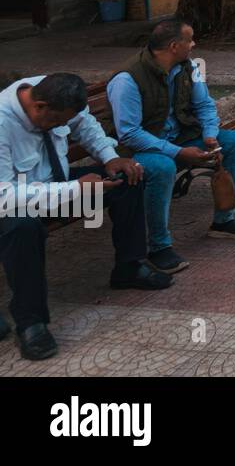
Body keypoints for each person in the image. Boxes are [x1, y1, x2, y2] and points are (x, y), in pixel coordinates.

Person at [0, 73, 171, 360]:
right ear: (39, 106)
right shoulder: (3, 122)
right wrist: (75, 189)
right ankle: (32, 323)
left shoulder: (54, 92)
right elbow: (4, 195)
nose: (61, 127)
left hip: (59, 187)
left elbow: (86, 124)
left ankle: (129, 267)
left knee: (126, 179)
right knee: (24, 227)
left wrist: (110, 157)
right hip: (14, 204)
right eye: (56, 123)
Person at [107, 17, 235, 276]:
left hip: (183, 138)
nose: (194, 44)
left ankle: (224, 221)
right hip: (140, 151)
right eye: (190, 39)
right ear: (175, 46)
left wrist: (210, 136)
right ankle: (159, 246)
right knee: (163, 166)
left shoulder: (187, 67)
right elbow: (129, 134)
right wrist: (177, 152)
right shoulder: (127, 80)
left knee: (234, 141)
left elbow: (205, 105)